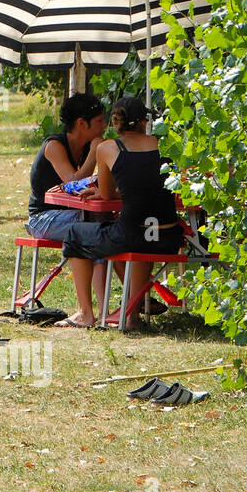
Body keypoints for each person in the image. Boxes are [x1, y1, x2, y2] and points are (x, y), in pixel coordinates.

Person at [55, 96, 184, 328]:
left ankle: (86, 313)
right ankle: (131, 315)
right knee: (142, 242)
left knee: (75, 235)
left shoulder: (107, 148)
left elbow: (105, 193)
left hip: (131, 235)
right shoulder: (166, 145)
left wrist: (114, 195)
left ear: (116, 123)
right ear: (144, 122)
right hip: (168, 237)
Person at [25, 92, 106, 241]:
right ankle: (99, 265)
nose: (104, 126)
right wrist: (95, 151)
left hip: (73, 213)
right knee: (99, 229)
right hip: (43, 219)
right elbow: (73, 182)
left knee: (106, 224)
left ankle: (100, 265)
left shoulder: (87, 145)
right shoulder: (54, 146)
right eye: (99, 121)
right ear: (81, 123)